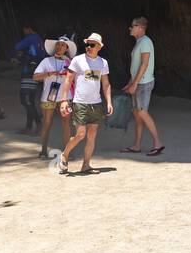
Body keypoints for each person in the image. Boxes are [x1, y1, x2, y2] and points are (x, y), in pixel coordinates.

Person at [59, 33, 113, 174]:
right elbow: (68, 81)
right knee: (80, 134)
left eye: (92, 45)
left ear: (99, 47)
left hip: (96, 103)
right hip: (80, 102)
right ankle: (64, 155)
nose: (89, 47)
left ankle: (86, 165)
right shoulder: (77, 60)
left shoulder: (103, 63)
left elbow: (106, 84)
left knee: (92, 134)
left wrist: (109, 102)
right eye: (87, 44)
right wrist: (64, 100)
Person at [123, 17, 164, 155]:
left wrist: (134, 83)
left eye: (132, 26)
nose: (130, 28)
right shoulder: (139, 42)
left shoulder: (145, 42)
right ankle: (137, 145)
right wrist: (130, 82)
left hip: (143, 83)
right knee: (137, 114)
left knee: (141, 112)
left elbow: (144, 64)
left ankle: (157, 143)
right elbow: (136, 66)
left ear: (140, 27)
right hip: (138, 82)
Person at [34, 37, 74, 158]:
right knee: (47, 122)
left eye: (63, 45)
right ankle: (43, 150)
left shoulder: (70, 62)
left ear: (66, 48)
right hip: (49, 95)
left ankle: (66, 153)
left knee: (66, 123)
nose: (60, 47)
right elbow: (35, 76)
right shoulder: (47, 61)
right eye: (58, 44)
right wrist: (50, 73)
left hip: (65, 96)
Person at [13, 23, 44, 135]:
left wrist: (22, 53)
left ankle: (38, 123)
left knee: (24, 99)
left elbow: (17, 47)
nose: (24, 32)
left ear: (29, 28)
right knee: (30, 100)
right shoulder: (40, 39)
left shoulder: (31, 38)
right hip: (36, 71)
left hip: (28, 71)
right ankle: (29, 127)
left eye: (25, 30)